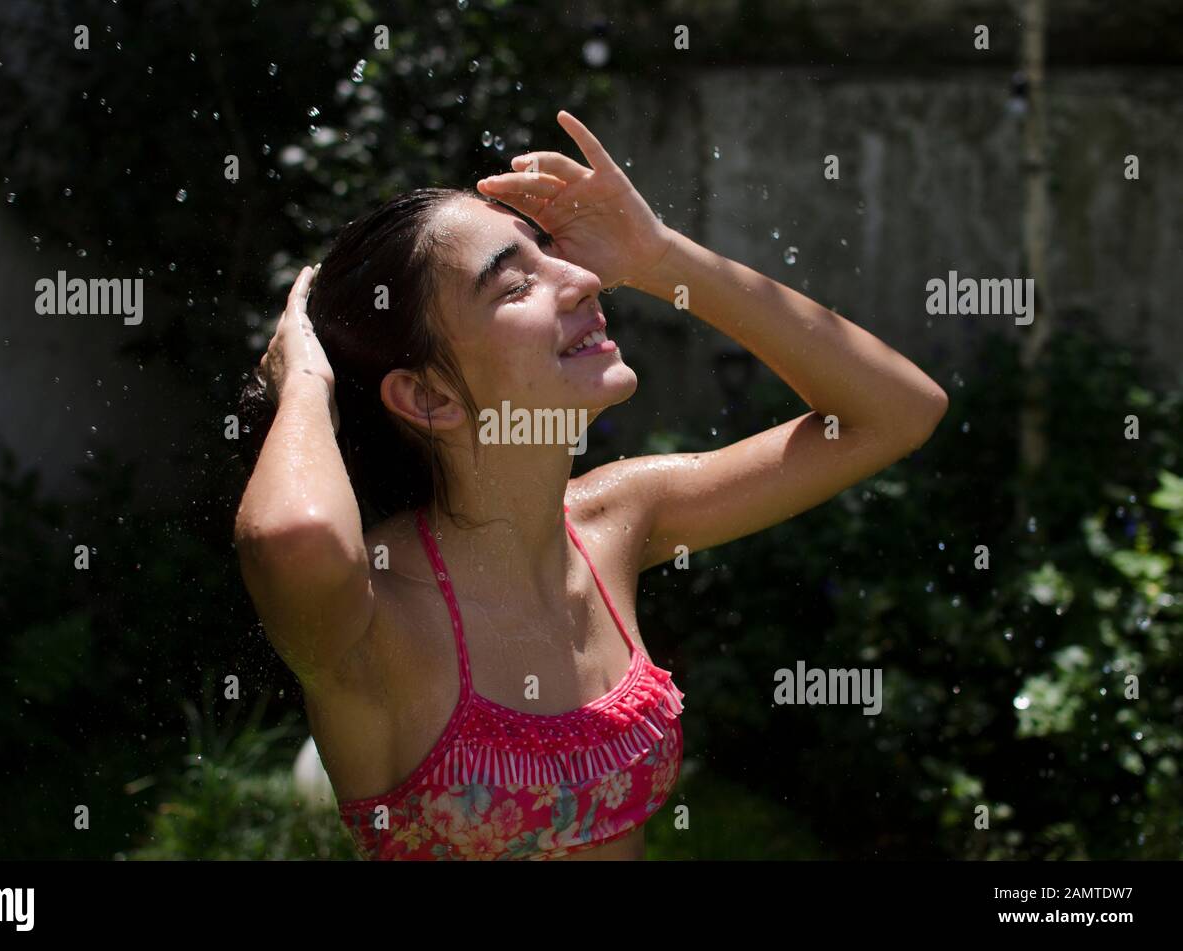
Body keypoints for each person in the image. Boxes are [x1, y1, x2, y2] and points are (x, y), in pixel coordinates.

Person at [234, 109, 948, 860]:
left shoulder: (617, 520)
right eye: (515, 286)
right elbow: (292, 536)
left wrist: (659, 256)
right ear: (429, 398)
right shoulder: (375, 616)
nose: (581, 280)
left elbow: (897, 412)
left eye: (552, 254)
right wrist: (305, 385)